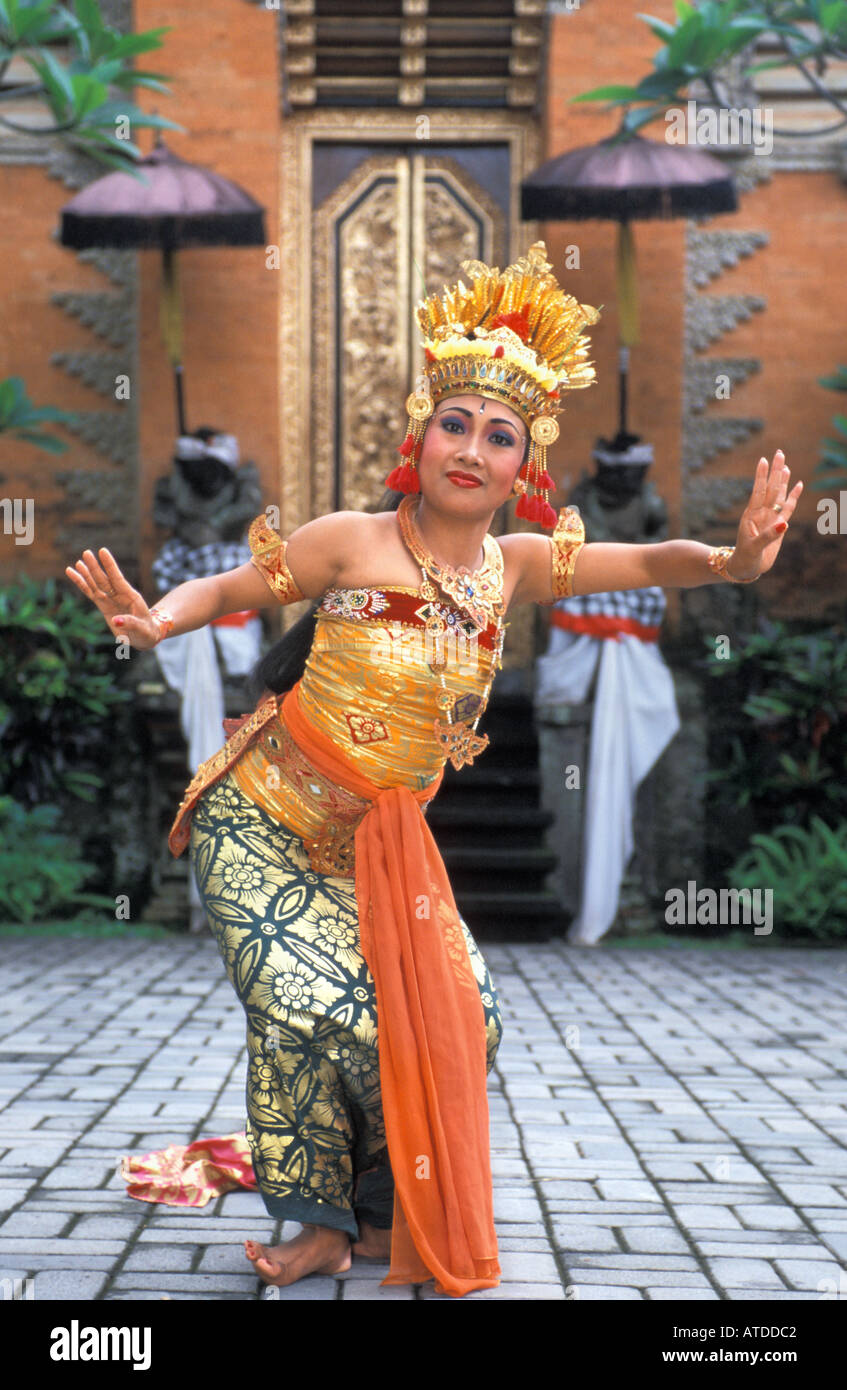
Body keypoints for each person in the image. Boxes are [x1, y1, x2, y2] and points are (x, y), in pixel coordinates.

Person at [65, 243, 802, 1297]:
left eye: (498, 436)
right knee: (312, 1001)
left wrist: (734, 561)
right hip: (261, 815)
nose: (471, 447)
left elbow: (645, 561)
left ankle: (372, 1215)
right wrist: (157, 619)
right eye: (454, 423)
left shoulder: (513, 568)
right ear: (421, 435)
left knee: (471, 1015)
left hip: (375, 846)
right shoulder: (349, 541)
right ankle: (311, 1217)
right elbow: (230, 588)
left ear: (522, 466)